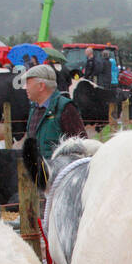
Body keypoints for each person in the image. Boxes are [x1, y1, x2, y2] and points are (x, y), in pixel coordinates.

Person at [23, 63, 86, 199]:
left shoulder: (65, 108)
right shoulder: (34, 110)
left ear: (41, 86)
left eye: (28, 83)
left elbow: (81, 145)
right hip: (40, 182)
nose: (25, 87)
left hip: (62, 185)